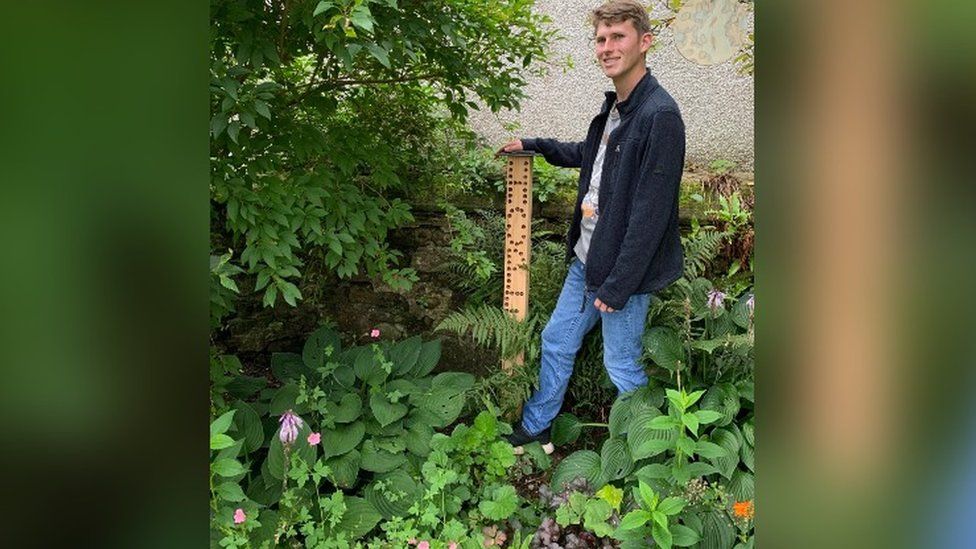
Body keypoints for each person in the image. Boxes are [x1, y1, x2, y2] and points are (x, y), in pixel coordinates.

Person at [496, 0, 686, 454]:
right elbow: (591, 156)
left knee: (621, 364)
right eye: (600, 39)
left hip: (623, 273)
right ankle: (537, 425)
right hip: (587, 260)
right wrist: (535, 144)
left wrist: (618, 286)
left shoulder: (660, 116)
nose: (606, 47)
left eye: (617, 37)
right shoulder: (616, 109)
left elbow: (651, 217)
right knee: (557, 341)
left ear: (645, 42)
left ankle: (654, 453)